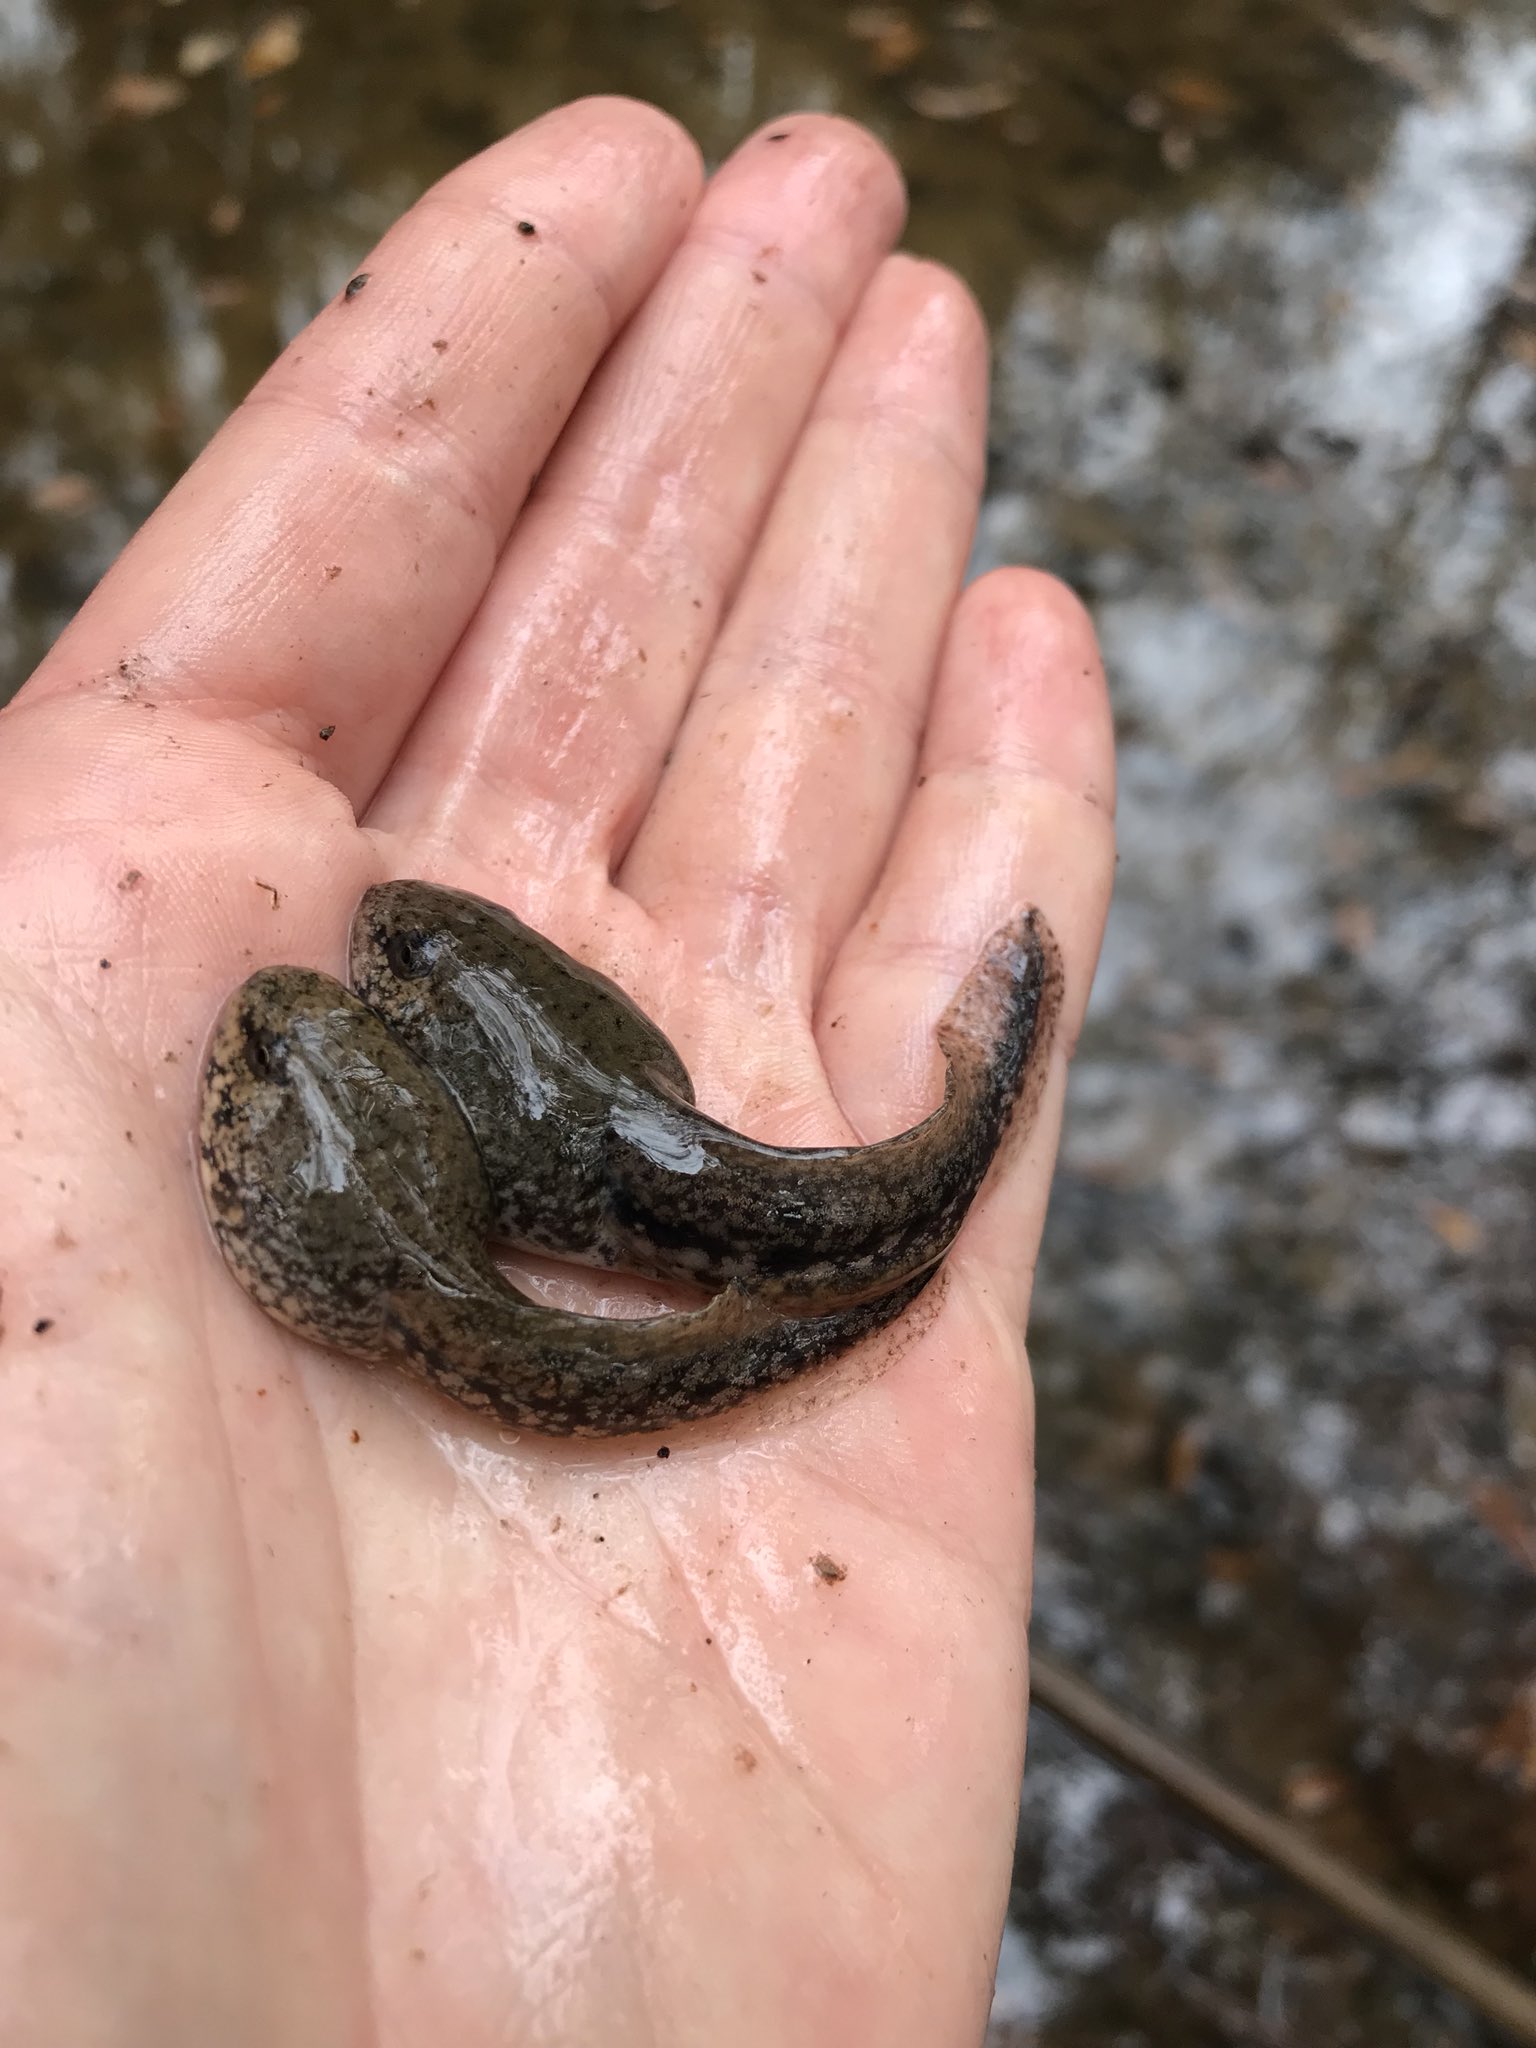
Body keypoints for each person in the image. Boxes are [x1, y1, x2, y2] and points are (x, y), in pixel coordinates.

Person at [0, 98, 1114, 2047]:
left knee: (852, 1211)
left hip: (559, 1196)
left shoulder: (504, 1198)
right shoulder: (445, 1244)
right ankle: (916, 1160)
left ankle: (941, 1129)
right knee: (823, 1222)